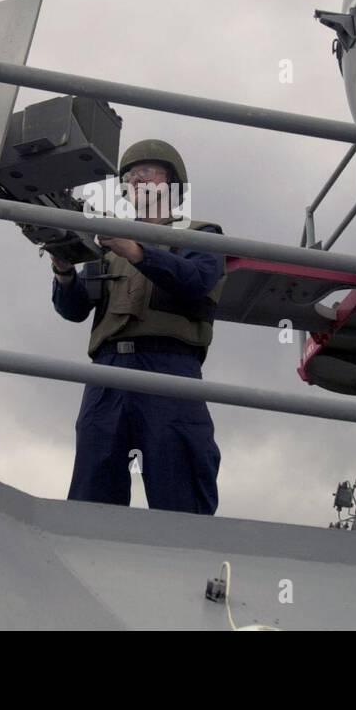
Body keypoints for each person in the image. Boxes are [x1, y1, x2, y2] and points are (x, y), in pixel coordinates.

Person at [49, 139, 227, 515]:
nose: (137, 179)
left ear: (172, 182)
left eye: (148, 171)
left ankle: (188, 567)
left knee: (180, 484)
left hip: (170, 369)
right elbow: (75, 309)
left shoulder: (200, 234)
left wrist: (138, 251)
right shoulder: (108, 244)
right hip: (108, 373)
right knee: (94, 485)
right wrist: (64, 270)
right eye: (130, 175)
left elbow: (197, 281)